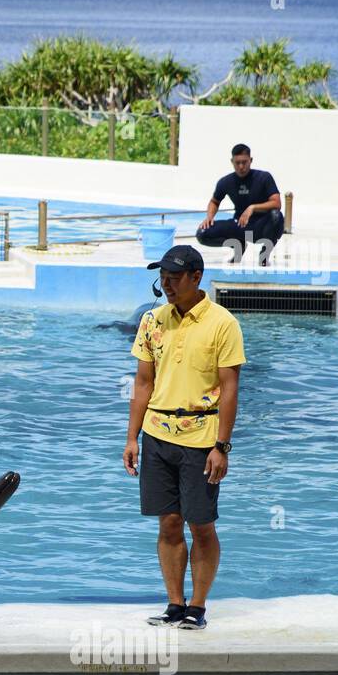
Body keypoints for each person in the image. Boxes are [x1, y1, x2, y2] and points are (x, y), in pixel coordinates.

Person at [123, 245, 245, 631]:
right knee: (169, 523)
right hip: (157, 435)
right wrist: (132, 438)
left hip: (202, 437)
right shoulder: (152, 321)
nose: (167, 284)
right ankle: (175, 604)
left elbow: (229, 389)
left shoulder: (223, 323)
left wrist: (221, 446)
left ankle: (198, 605)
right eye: (163, 277)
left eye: (174, 277)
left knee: (201, 524)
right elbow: (143, 383)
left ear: (196, 277)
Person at [195, 143, 284, 266]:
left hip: (261, 226)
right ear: (232, 161)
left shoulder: (264, 177)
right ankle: (239, 245)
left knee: (277, 216)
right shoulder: (225, 181)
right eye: (237, 163)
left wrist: (252, 208)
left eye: (244, 162)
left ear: (250, 160)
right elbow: (214, 201)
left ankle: (264, 254)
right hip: (239, 225)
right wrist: (209, 217)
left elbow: (276, 203)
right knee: (202, 233)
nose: (241, 166)